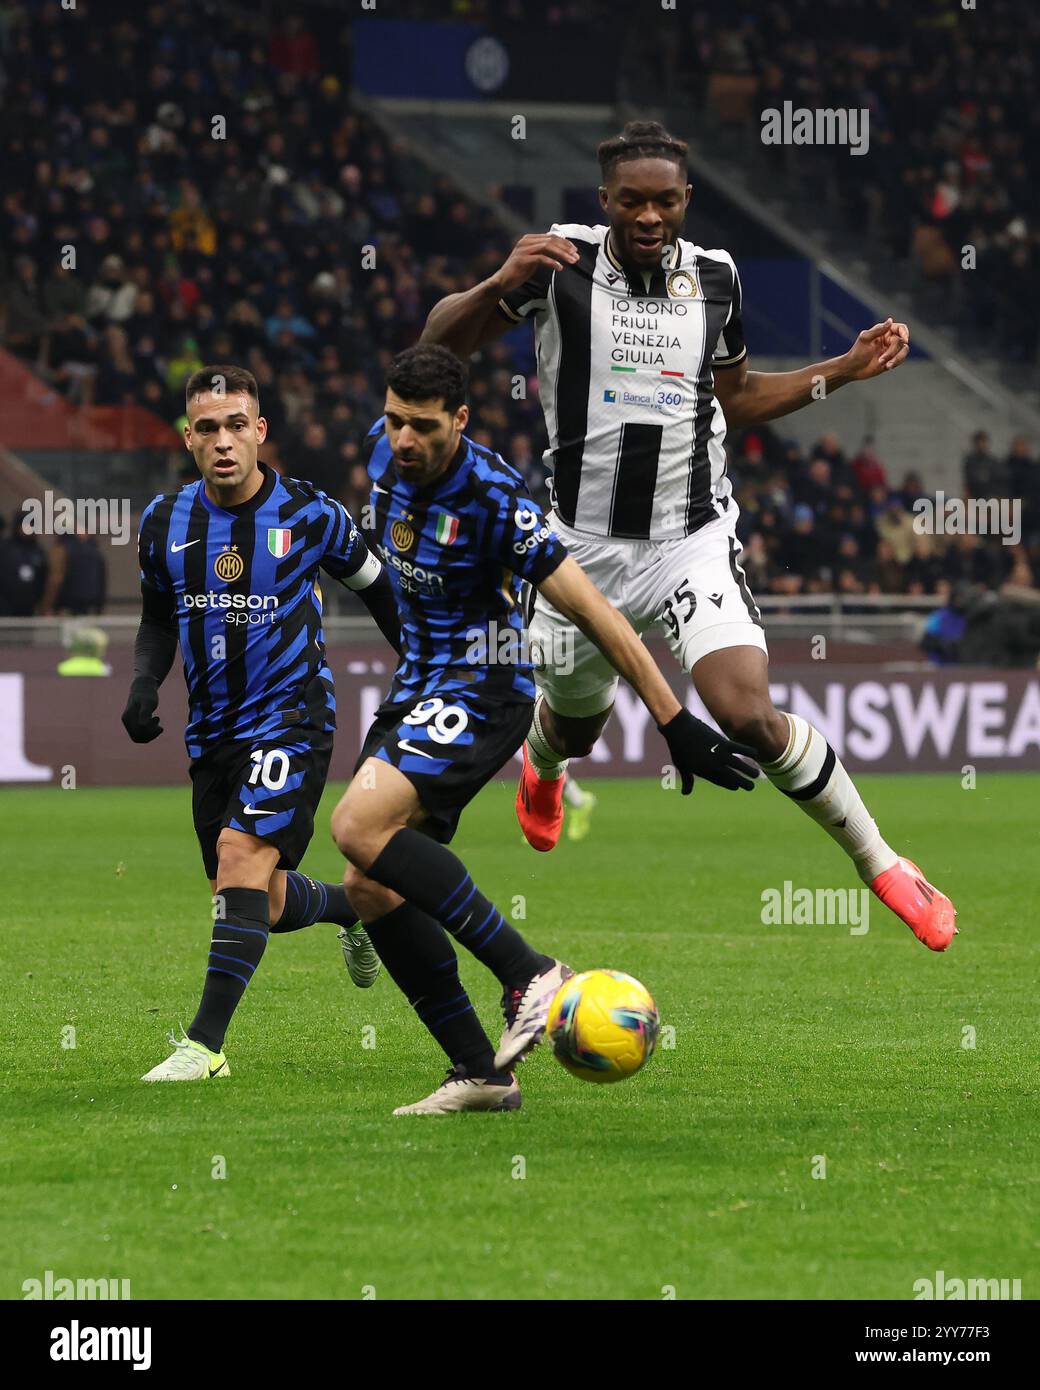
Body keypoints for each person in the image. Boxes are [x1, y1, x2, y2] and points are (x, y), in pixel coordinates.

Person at [422, 118, 956, 952]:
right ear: (604, 202)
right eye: (630, 200)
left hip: (688, 537)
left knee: (746, 713)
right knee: (575, 725)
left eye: (664, 200)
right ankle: (546, 763)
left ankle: (884, 863)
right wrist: (496, 283)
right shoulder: (557, 263)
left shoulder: (716, 278)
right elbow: (434, 352)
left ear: (686, 201)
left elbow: (736, 399)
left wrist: (842, 371)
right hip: (578, 550)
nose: (648, 216)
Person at [327, 345, 756, 1115]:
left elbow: (597, 612)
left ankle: (531, 973)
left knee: (355, 826)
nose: (401, 441)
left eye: (422, 427)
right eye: (392, 422)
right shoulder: (390, 460)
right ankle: (481, 1074)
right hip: (418, 686)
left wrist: (673, 717)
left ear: (460, 421)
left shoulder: (495, 499)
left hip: (484, 687)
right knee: (368, 884)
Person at [123, 365, 400, 1082]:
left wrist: (428, 667)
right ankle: (354, 911)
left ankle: (203, 1045)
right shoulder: (164, 521)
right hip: (212, 734)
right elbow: (157, 616)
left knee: (242, 856)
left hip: (293, 717)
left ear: (260, 431)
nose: (223, 441)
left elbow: (382, 591)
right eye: (208, 428)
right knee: (260, 898)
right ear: (188, 438)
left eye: (237, 425)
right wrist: (143, 682)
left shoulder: (309, 514)